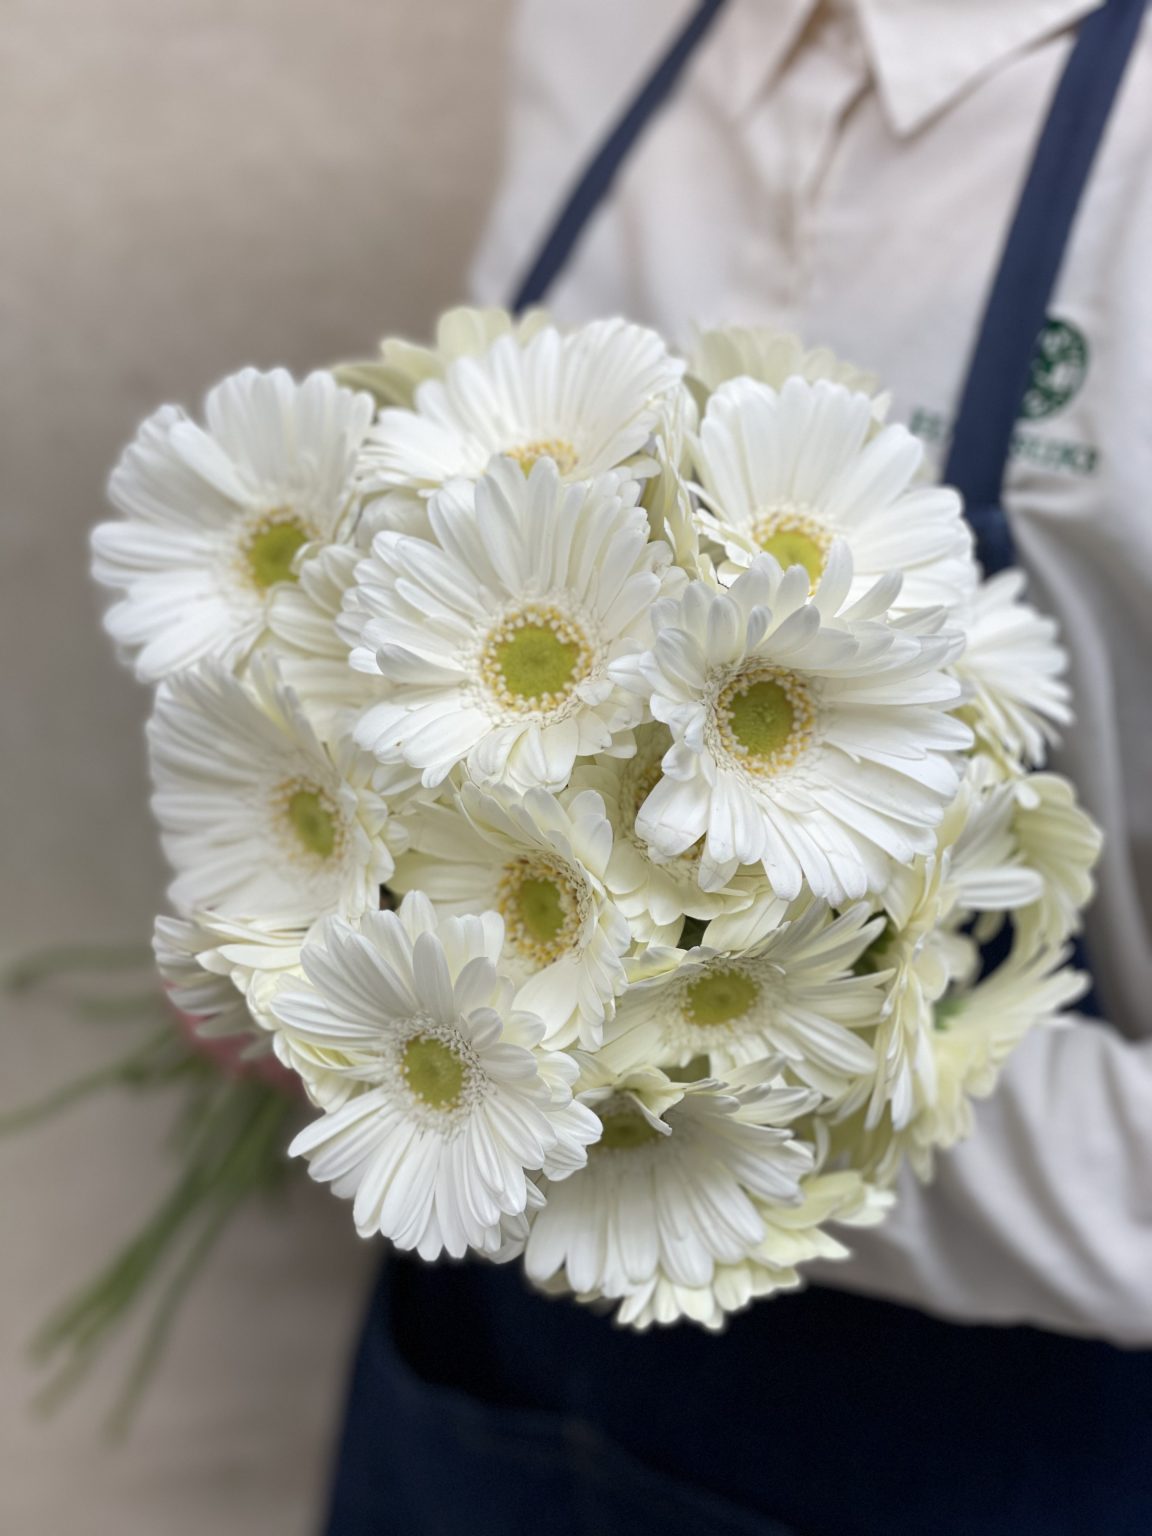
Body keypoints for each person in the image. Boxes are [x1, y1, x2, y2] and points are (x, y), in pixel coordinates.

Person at [325, 2, 1152, 1531]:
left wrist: (717, 1097)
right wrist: (324, 937)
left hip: (980, 1434)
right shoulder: (604, 28)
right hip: (483, 1358)